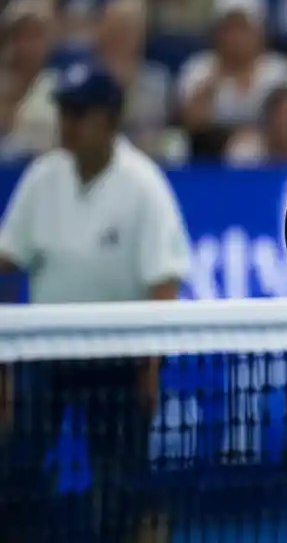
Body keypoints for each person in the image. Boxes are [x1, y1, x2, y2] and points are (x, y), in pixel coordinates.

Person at [0, 62, 191, 543]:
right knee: (15, 467)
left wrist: (150, 368)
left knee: (118, 483)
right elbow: (7, 259)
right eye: (64, 110)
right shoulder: (43, 178)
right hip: (44, 354)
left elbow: (163, 285)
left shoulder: (144, 186)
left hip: (117, 359)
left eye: (78, 112)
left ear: (108, 119)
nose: (67, 122)